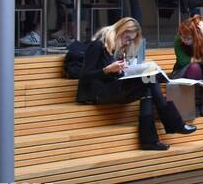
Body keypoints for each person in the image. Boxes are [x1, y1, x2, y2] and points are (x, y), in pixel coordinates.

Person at [75, 17, 196, 151]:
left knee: (149, 83)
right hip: (97, 93)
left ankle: (150, 141)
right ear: (120, 31)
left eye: (131, 40)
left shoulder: (118, 49)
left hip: (112, 88)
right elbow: (85, 76)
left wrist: (123, 71)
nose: (128, 42)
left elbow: (115, 76)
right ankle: (173, 123)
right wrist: (108, 69)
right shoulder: (98, 45)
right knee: (150, 81)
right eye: (127, 37)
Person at [172, 14, 203, 117]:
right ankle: (194, 104)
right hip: (182, 72)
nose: (183, 40)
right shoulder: (178, 40)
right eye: (182, 36)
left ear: (196, 36)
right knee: (195, 67)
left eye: (188, 38)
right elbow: (184, 61)